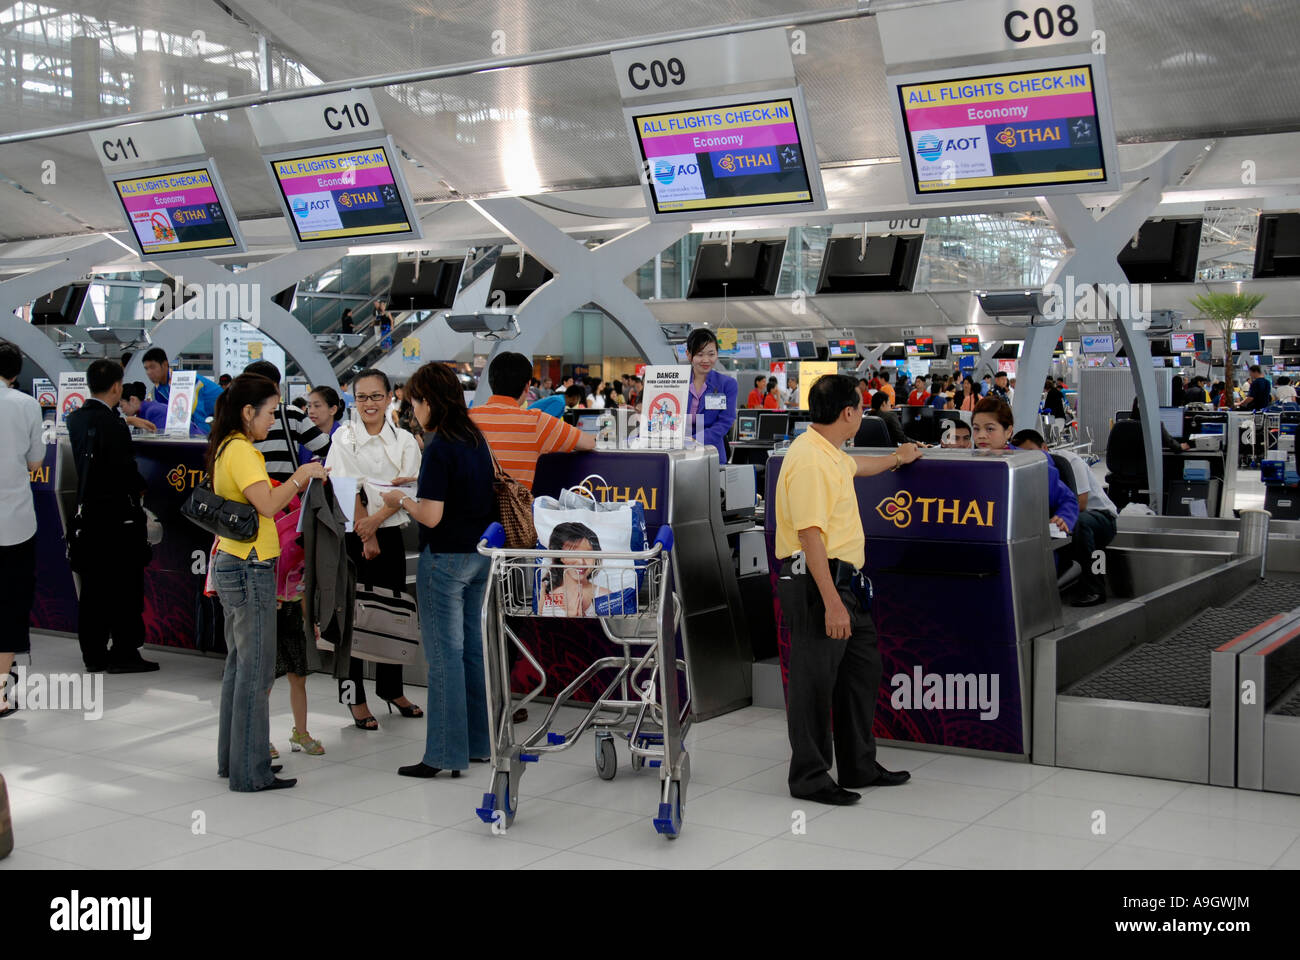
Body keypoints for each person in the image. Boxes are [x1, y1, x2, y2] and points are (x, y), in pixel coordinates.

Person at [775, 374, 921, 805]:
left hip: (845, 584)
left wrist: (898, 457)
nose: (862, 413)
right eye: (860, 407)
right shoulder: (809, 462)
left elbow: (858, 467)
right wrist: (833, 604)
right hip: (819, 585)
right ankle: (809, 778)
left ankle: (858, 764)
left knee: (860, 673)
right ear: (848, 414)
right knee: (815, 682)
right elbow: (810, 536)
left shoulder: (830, 452)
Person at [209, 374, 328, 791]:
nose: (273, 420)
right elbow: (267, 505)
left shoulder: (228, 446)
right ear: (248, 412)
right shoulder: (242, 450)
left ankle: (235, 760)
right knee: (256, 673)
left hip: (233, 562)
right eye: (270, 412)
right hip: (249, 565)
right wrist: (300, 476)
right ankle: (251, 770)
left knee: (239, 667)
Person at [382, 363, 497, 779]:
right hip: (479, 557)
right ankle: (479, 744)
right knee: (470, 652)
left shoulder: (438, 445)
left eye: (414, 402)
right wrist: (419, 480)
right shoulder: (473, 437)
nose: (414, 411)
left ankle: (443, 755)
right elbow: (464, 487)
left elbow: (430, 516)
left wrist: (400, 499)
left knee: (444, 657)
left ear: (428, 400)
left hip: (445, 561)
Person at [324, 368, 424, 729]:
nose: (369, 404)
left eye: (376, 396)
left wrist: (376, 521)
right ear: (353, 399)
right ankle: (354, 697)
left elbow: (406, 490)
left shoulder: (405, 441)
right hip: (353, 538)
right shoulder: (344, 437)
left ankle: (391, 689)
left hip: (390, 535)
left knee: (393, 613)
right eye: (362, 397)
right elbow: (344, 485)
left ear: (389, 398)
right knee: (352, 617)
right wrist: (366, 534)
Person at [66, 360, 158, 674]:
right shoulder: (114, 425)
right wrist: (142, 489)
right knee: (124, 588)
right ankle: (124, 652)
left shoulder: (75, 419)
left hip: (89, 518)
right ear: (117, 387)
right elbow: (124, 470)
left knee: (92, 590)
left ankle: (93, 654)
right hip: (119, 520)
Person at [1013, 429, 1118, 607]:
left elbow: (1081, 504)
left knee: (1080, 523)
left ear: (1045, 448)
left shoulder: (1069, 461)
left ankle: (1096, 589)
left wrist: (1059, 517)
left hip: (1100, 517)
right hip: (1065, 519)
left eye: (1031, 452)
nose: (1027, 459)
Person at [470, 352, 594, 492]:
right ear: (527, 386)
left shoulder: (466, 418)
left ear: (491, 382)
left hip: (469, 510)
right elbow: (588, 443)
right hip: (516, 511)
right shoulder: (537, 422)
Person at [0, 341, 45, 717]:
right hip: (13, 523)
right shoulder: (26, 405)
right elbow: (35, 462)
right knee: (10, 605)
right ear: (15, 373)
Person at [971, 398, 1077, 534]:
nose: (981, 436)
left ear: (1008, 431)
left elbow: (1068, 500)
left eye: (990, 429)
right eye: (976, 429)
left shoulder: (1029, 464)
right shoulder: (967, 464)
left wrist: (1064, 518)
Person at [241, 360, 332, 480]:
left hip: (246, 490)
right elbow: (326, 448)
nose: (272, 421)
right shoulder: (290, 413)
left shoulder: (238, 416)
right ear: (275, 387)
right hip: (286, 493)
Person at [683, 328, 738, 464]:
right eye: (700, 354)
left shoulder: (727, 384)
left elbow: (725, 421)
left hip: (711, 454)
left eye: (711, 354)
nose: (706, 360)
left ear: (717, 355)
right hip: (679, 453)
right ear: (689, 355)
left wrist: (694, 440)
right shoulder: (677, 382)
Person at [140, 347, 221, 436]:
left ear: (165, 364)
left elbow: (198, 419)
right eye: (146, 368)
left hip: (226, 412)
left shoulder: (185, 381)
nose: (149, 372)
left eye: (152, 367)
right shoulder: (158, 389)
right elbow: (165, 415)